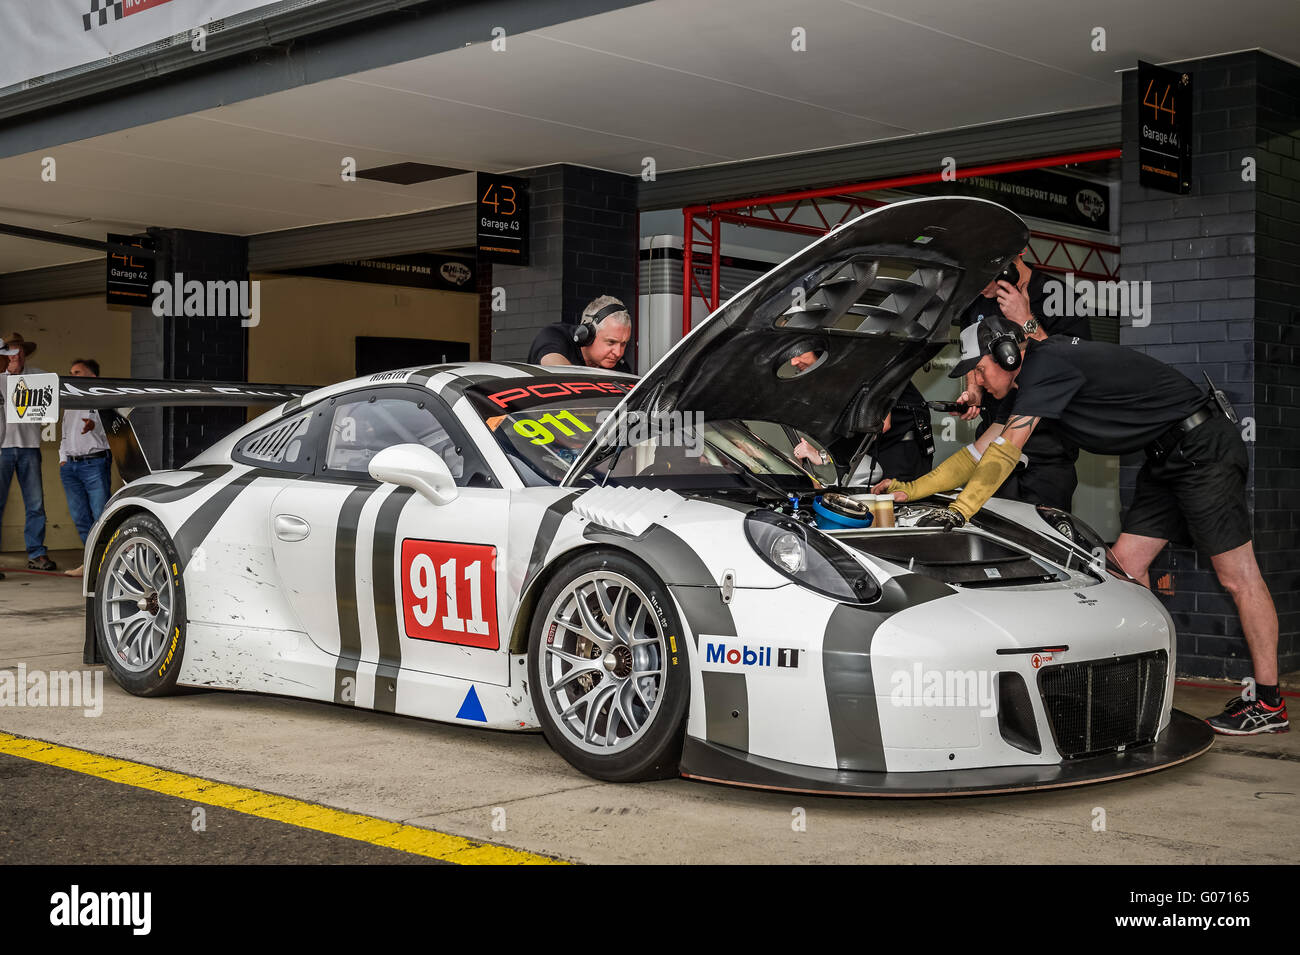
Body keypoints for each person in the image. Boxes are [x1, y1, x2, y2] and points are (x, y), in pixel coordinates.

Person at [874, 316, 1284, 736]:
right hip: (1166, 456)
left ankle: (1269, 702)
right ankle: (1134, 685)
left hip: (1204, 448)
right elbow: (977, 453)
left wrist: (960, 512)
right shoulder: (1027, 386)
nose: (977, 379)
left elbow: (1005, 453)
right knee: (1124, 566)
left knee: (1238, 576)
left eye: (979, 369)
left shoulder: (1047, 366)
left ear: (1008, 354)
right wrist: (911, 489)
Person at [956, 254, 1089, 511]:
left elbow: (1074, 366)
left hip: (1048, 445)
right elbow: (972, 358)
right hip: (997, 433)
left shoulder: (1059, 297)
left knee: (1043, 539)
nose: (979, 285)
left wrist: (1025, 318)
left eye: (985, 275)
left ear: (1013, 259)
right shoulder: (976, 302)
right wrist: (973, 391)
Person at [0, 332, 56, 571]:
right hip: (1, 449)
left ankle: (36, 553)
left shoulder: (40, 377)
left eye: (21, 351)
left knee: (35, 504)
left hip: (30, 447)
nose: (17, 355)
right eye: (12, 351)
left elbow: (52, 405)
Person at [59, 359, 112, 576]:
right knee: (80, 517)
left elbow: (109, 429)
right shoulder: (71, 402)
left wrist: (94, 424)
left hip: (94, 463)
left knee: (100, 516)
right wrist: (62, 458)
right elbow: (64, 433)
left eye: (77, 372)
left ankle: (106, 564)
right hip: (70, 466)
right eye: (71, 372)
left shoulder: (103, 400)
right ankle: (90, 563)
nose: (72, 375)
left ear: (92, 377)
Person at [527, 295, 633, 372]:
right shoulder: (555, 336)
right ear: (587, 334)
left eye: (623, 344)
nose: (618, 353)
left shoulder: (620, 367)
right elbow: (556, 370)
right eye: (611, 342)